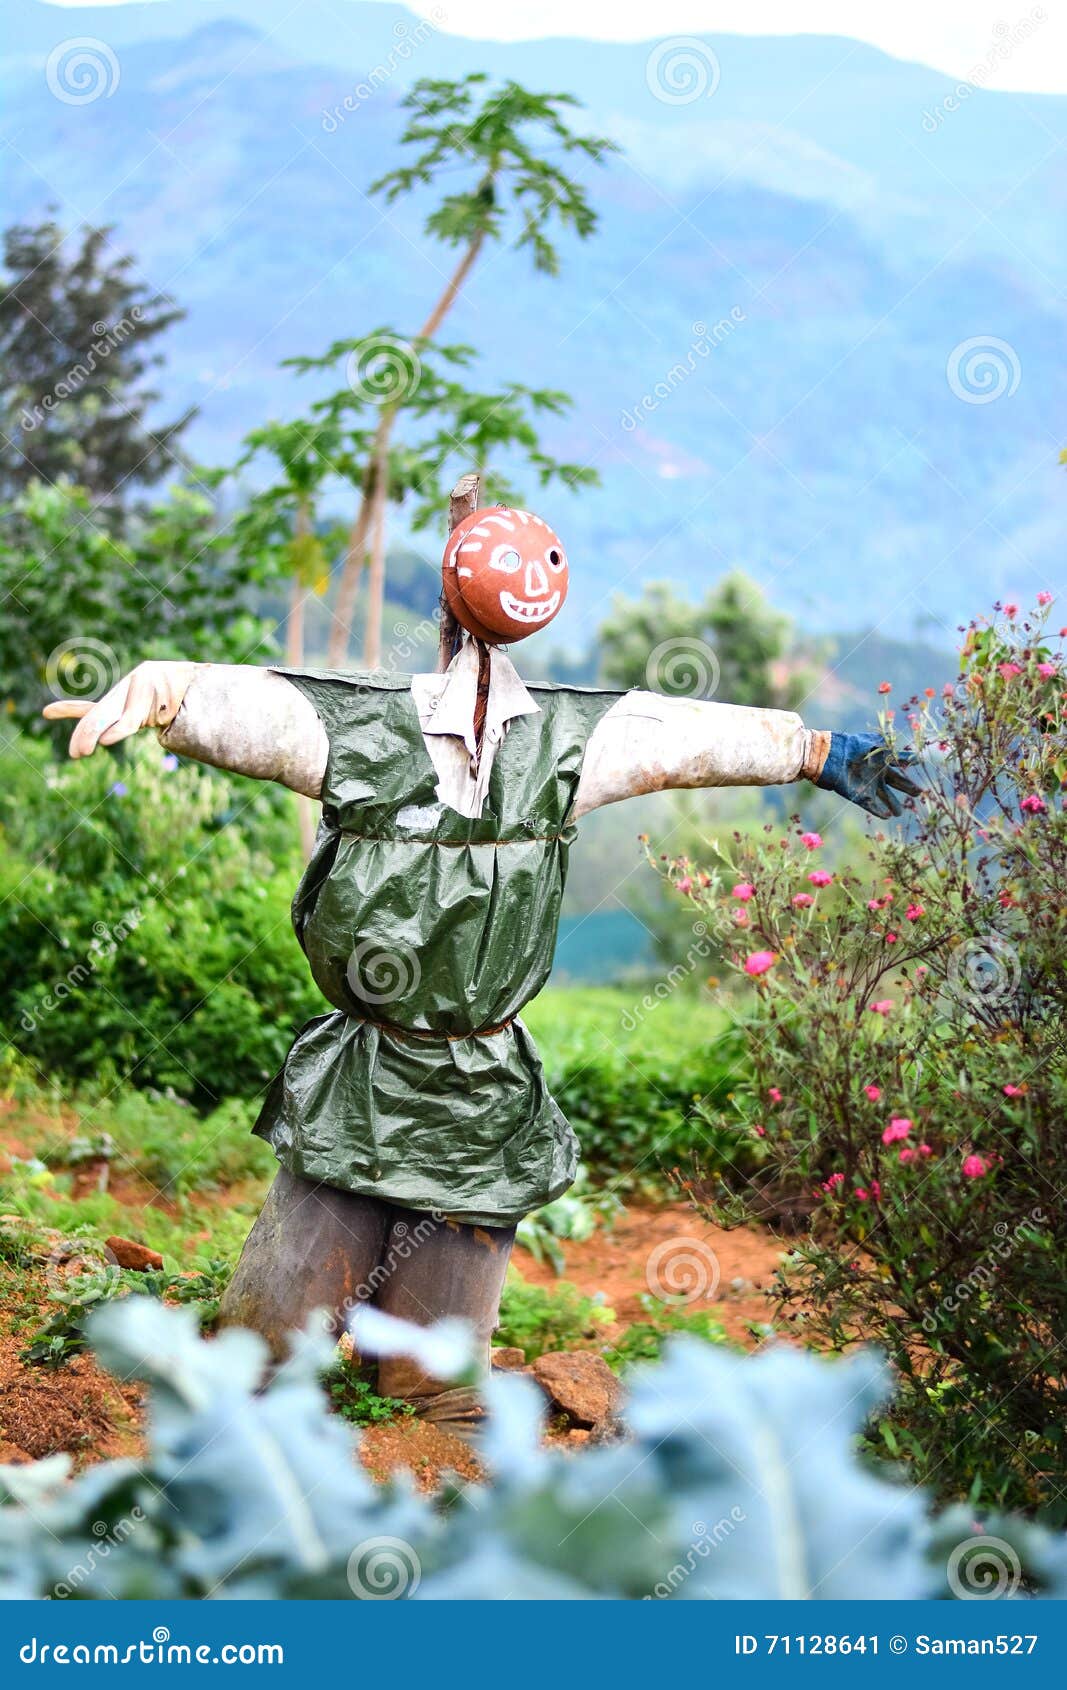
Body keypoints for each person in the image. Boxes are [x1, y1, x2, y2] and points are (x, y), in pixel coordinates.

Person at [44, 499, 920, 1433]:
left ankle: (423, 1482)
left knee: (439, 1402)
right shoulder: (388, 735)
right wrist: (165, 688)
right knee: (251, 1367)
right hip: (366, 1079)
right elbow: (264, 706)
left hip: (478, 1102)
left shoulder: (536, 741)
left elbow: (676, 735)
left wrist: (814, 750)